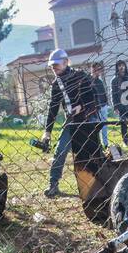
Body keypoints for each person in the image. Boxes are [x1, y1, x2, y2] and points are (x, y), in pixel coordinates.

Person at [42, 49, 102, 198]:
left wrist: (81, 106)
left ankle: (102, 182)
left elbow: (93, 98)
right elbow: (53, 108)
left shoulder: (80, 76)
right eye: (51, 66)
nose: (54, 68)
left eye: (56, 64)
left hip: (87, 120)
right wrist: (47, 131)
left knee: (94, 153)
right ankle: (53, 185)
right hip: (71, 123)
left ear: (65, 62)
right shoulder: (56, 84)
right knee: (60, 152)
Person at [90, 63, 111, 148]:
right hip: (95, 108)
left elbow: (103, 93)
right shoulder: (89, 81)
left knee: (104, 126)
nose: (98, 71)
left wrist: (106, 103)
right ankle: (97, 145)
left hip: (103, 106)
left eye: (99, 69)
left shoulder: (100, 81)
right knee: (96, 127)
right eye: (96, 69)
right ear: (92, 70)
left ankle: (105, 144)